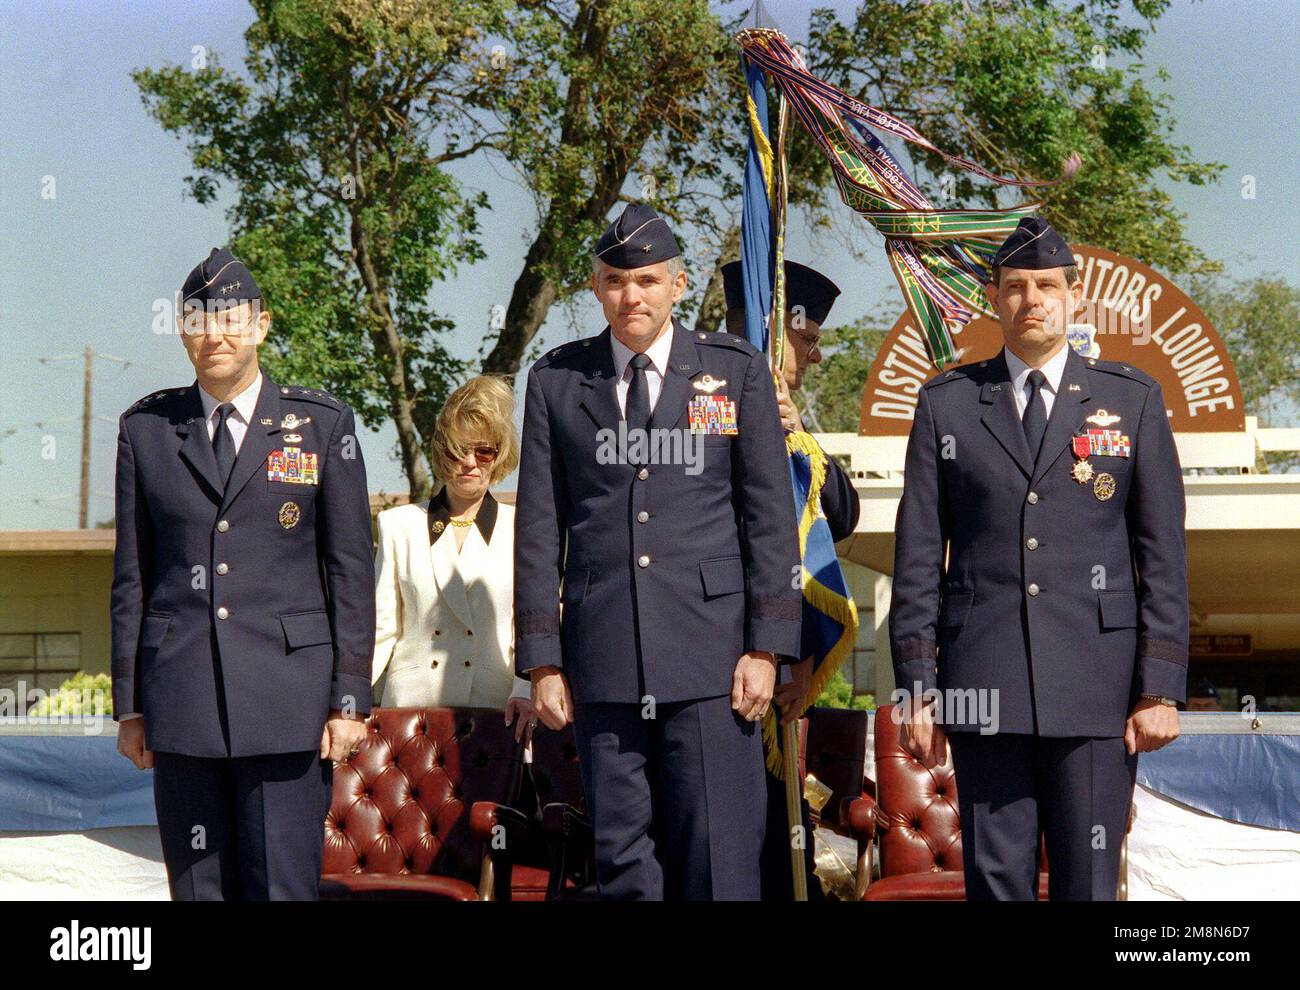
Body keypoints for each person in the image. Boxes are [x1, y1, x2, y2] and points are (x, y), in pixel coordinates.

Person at [889, 216, 1188, 900]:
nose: (1032, 300)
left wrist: (1160, 686)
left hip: (1097, 686)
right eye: (1017, 287)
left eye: (1047, 285)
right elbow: (916, 558)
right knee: (997, 884)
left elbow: (1163, 553)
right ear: (995, 298)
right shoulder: (948, 405)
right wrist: (917, 683)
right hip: (983, 681)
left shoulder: (1130, 400)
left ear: (1073, 297)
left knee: (1087, 880)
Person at [513, 202, 802, 900]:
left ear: (677, 285)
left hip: (714, 664)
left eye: (645, 280)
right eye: (614, 280)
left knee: (718, 863)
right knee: (622, 866)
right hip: (603, 664)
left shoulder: (733, 374)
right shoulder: (557, 381)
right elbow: (539, 530)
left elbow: (768, 518)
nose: (630, 295)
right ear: (595, 288)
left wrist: (766, 648)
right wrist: (542, 660)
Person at [111, 247, 375, 900]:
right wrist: (129, 705)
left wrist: (349, 699)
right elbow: (131, 576)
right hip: (182, 706)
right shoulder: (146, 431)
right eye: (198, 319)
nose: (214, 333)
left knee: (280, 889)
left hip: (288, 704)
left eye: (230, 318)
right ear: (182, 331)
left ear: (261, 324)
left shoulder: (321, 426)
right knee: (199, 893)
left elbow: (349, 572)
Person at [721, 259, 859, 899]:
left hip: (775, 681)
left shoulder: (792, 426)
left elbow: (840, 516)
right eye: (809, 340)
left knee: (781, 859)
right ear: (776, 329)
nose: (818, 355)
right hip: (709, 667)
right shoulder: (698, 411)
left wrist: (797, 434)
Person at [371, 376, 535, 738]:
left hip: (497, 711)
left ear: (500, 454)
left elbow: (532, 627)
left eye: (483, 452)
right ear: (441, 451)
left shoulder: (525, 529)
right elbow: (381, 630)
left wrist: (526, 690)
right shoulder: (398, 526)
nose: (469, 463)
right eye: (457, 450)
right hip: (411, 716)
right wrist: (347, 705)